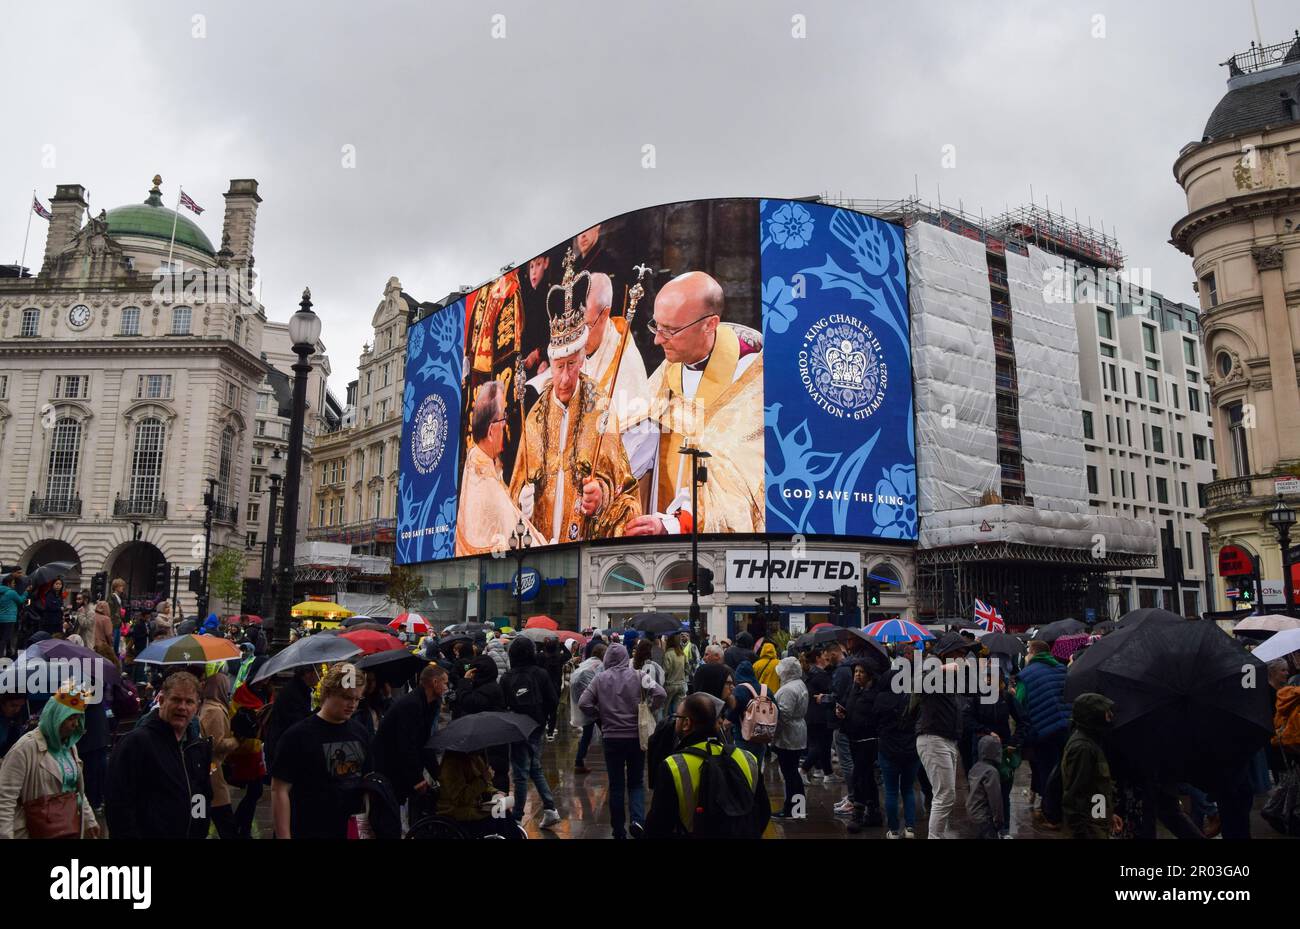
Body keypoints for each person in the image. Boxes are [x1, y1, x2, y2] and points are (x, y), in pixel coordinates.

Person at [509, 250, 643, 544]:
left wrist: (602, 496)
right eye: (558, 367)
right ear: (550, 363)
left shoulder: (601, 407)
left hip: (582, 548)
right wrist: (521, 501)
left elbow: (625, 491)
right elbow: (515, 486)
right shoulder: (535, 418)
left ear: (583, 359)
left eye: (572, 365)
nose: (566, 377)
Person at [623, 271, 765, 536]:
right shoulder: (667, 372)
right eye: (657, 326)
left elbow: (740, 484)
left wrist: (675, 524)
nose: (657, 339)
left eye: (670, 330)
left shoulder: (753, 382)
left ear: (710, 325)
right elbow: (631, 449)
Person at [644, 693, 770, 838]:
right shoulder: (748, 759)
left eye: (677, 717)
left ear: (686, 723)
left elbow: (658, 826)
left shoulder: (673, 766)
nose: (675, 722)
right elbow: (763, 813)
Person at [106, 671, 212, 839]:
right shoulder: (136, 743)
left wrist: (199, 832)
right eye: (176, 699)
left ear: (197, 707)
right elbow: (119, 806)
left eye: (189, 701)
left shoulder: (197, 747)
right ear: (162, 701)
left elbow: (200, 796)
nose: (182, 707)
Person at [270, 663, 371, 840]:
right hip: (307, 829)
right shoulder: (298, 736)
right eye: (347, 697)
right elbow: (279, 790)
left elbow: (367, 782)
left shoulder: (360, 732)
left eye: (357, 699)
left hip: (349, 830)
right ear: (328, 692)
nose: (352, 705)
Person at [577, 643, 665, 839]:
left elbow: (584, 703)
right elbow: (660, 693)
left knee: (616, 785)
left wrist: (598, 714)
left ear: (607, 658)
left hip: (611, 738)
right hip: (636, 737)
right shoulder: (639, 675)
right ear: (626, 657)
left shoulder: (600, 679)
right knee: (635, 783)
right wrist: (650, 708)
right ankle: (637, 821)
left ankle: (618, 830)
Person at [455, 381, 548, 556]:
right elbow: (514, 540)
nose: (505, 423)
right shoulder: (485, 484)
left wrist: (520, 506)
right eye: (503, 417)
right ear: (491, 431)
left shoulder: (477, 461)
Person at [0, 683, 98, 839]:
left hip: (66, 828)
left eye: (78, 718)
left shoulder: (69, 747)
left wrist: (89, 819)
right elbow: (5, 797)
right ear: (56, 716)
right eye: (71, 718)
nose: (76, 724)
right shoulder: (25, 748)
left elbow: (76, 789)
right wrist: (5, 835)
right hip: (33, 831)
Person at [913, 632, 971, 840]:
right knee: (945, 794)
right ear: (948, 652)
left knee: (946, 794)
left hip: (944, 737)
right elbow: (917, 684)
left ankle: (938, 834)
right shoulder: (932, 662)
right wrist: (942, 668)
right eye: (960, 652)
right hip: (933, 737)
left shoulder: (947, 672)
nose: (963, 657)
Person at [500, 637, 562, 829]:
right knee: (533, 766)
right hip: (536, 725)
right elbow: (553, 700)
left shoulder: (507, 677)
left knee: (520, 773)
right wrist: (545, 720)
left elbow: (502, 705)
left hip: (517, 727)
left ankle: (517, 818)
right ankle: (550, 808)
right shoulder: (540, 673)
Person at [374, 664, 447, 822]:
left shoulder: (430, 703)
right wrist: (417, 778)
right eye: (445, 682)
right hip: (389, 767)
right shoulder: (411, 704)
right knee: (393, 813)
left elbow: (425, 743)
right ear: (435, 682)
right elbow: (407, 745)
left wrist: (439, 775)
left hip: (403, 765)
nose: (447, 687)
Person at [1016, 639, 1071, 827]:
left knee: (1047, 771)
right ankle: (1066, 810)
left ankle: (1052, 815)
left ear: (1032, 653)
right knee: (1064, 770)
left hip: (1043, 729)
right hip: (1067, 727)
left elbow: (1019, 704)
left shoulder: (1026, 675)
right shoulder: (1062, 669)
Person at [1061, 693, 1120, 839]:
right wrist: (1082, 833)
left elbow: (1097, 787)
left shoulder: (1091, 743)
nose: (1110, 716)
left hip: (1096, 824)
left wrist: (1108, 814)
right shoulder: (1083, 748)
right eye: (1106, 712)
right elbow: (1076, 795)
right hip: (1089, 829)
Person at [873, 661, 920, 839]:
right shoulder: (913, 697)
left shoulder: (881, 699)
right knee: (908, 790)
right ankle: (910, 828)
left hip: (887, 749)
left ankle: (893, 830)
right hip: (911, 750)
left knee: (891, 791)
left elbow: (874, 722)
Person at [435, 750, 519, 839]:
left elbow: (486, 785)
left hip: (476, 805)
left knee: (504, 812)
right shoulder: (451, 764)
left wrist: (495, 792)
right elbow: (461, 797)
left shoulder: (476, 757)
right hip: (458, 812)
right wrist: (483, 779)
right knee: (501, 819)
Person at [839, 662, 883, 832]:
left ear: (869, 675)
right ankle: (873, 812)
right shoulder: (855, 690)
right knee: (867, 778)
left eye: (861, 672)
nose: (857, 675)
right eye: (856, 671)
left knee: (858, 776)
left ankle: (857, 814)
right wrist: (843, 714)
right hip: (854, 739)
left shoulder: (875, 694)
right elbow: (851, 711)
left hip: (868, 740)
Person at [198, 672, 240, 839]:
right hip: (212, 773)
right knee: (225, 822)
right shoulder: (214, 710)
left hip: (206, 775)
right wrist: (237, 740)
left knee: (201, 820)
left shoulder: (208, 706)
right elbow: (216, 744)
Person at [263, 665, 319, 772]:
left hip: (285, 746)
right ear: (308, 674)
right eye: (318, 671)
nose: (319, 675)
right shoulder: (294, 692)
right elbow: (298, 723)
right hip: (283, 750)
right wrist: (319, 711)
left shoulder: (300, 689)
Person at [772, 656, 808, 820]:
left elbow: (783, 715)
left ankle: (792, 809)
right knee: (793, 772)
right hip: (797, 731)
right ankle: (798, 808)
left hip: (788, 735)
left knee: (790, 773)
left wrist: (774, 735)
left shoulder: (788, 689)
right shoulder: (799, 684)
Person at [569, 643, 605, 775]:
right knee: (606, 733)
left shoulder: (587, 664)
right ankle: (613, 761)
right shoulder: (599, 666)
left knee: (587, 734)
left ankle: (579, 763)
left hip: (586, 706)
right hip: (596, 707)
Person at [803, 646, 837, 783]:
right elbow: (831, 690)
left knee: (820, 745)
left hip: (811, 715)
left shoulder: (809, 673)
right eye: (823, 656)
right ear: (817, 658)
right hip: (821, 715)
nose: (826, 659)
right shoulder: (821, 675)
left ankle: (828, 773)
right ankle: (804, 769)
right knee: (822, 745)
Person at [966, 734, 1006, 839]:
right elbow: (995, 799)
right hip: (985, 818)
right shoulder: (991, 772)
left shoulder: (975, 767)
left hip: (973, 815)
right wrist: (999, 821)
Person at [539, 637, 568, 739]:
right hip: (555, 686)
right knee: (553, 709)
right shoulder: (559, 657)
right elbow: (568, 654)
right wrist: (561, 644)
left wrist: (543, 644)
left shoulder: (542, 657)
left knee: (544, 708)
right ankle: (550, 732)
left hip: (543, 686)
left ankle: (543, 727)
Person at [662, 633, 688, 719]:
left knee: (665, 710)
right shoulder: (682, 654)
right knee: (678, 712)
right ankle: (677, 727)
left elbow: (666, 671)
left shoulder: (668, 654)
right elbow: (687, 669)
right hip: (681, 684)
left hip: (670, 685)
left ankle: (666, 729)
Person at [0, 577, 27, 659]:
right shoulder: (11, 592)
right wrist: (26, 593)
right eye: (13, 583)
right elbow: (20, 600)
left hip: (0, 618)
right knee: (5, 639)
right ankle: (1, 656)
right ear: (8, 583)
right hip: (9, 619)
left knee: (1, 638)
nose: (14, 584)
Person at [0, 694, 31, 759]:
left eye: (21, 706)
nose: (17, 710)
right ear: (2, 703)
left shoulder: (17, 718)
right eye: (13, 705)